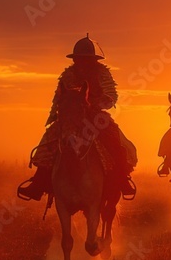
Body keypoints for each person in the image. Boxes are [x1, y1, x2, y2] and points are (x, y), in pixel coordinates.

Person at [18, 35, 136, 201]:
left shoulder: (102, 74)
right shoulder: (68, 75)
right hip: (70, 117)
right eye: (79, 59)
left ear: (94, 60)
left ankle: (122, 179)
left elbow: (111, 94)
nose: (82, 62)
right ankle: (39, 183)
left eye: (86, 59)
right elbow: (59, 96)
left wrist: (100, 103)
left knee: (115, 141)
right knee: (48, 143)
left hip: (95, 117)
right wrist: (58, 114)